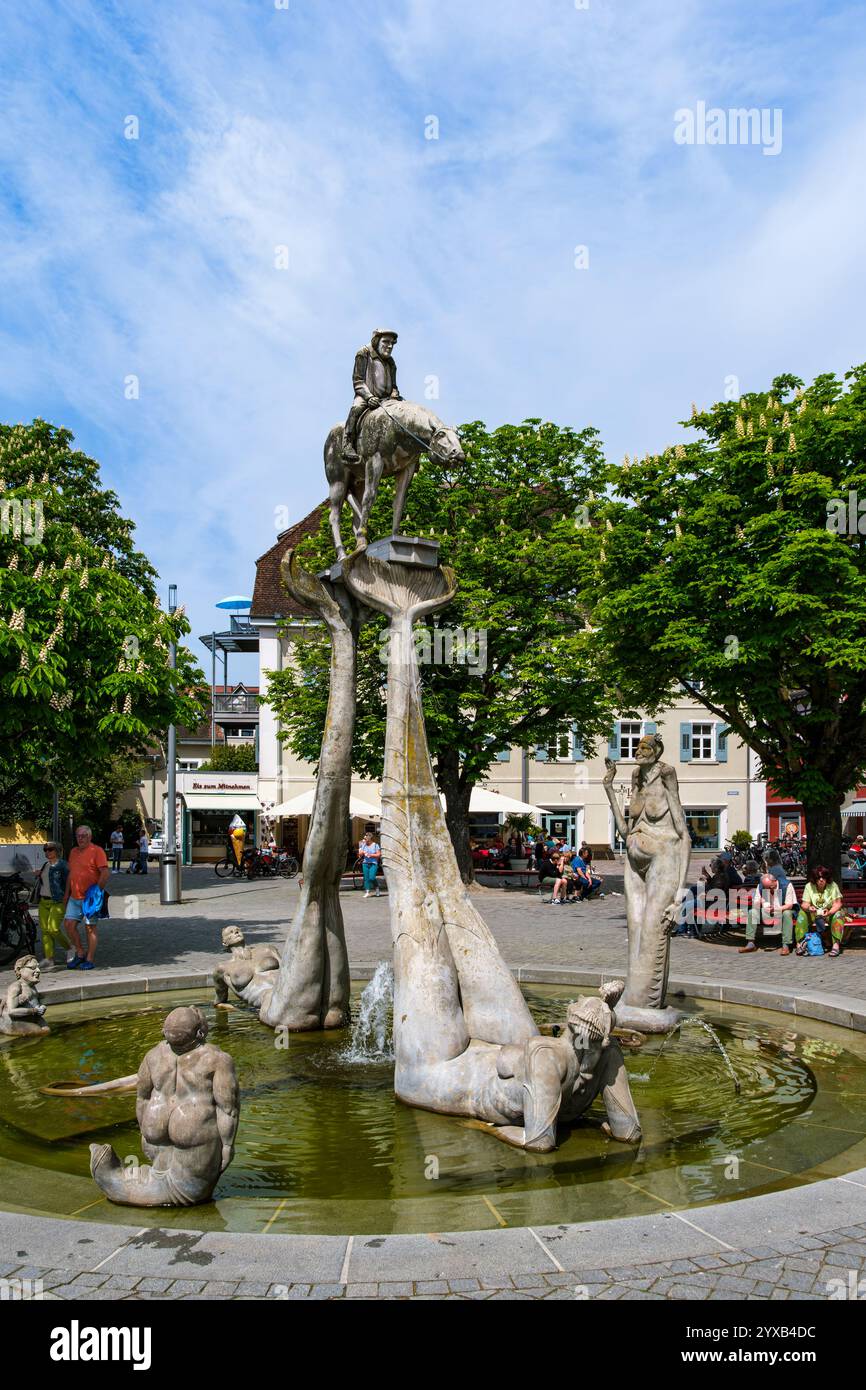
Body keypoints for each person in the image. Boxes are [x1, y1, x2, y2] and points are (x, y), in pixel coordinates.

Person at [342, 329, 402, 463]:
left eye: (392, 343)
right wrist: (369, 397)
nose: (390, 346)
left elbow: (394, 385)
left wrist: (394, 392)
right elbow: (358, 381)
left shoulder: (391, 362)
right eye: (386, 342)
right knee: (356, 408)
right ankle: (347, 444)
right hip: (366, 397)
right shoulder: (363, 353)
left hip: (386, 400)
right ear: (377, 341)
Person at [63, 825, 109, 970]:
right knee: (69, 925)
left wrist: (97, 892)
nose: (80, 838)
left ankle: (89, 959)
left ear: (90, 837)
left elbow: (105, 872)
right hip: (74, 896)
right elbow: (71, 873)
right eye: (78, 836)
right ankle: (80, 953)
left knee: (90, 927)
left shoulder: (97, 851)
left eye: (83, 836)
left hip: (89, 898)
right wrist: (66, 893)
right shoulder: (73, 852)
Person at [739, 873, 798, 955]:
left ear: (775, 881)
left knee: (787, 914)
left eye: (771, 887)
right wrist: (760, 902)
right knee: (752, 912)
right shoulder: (761, 886)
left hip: (783, 910)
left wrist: (776, 909)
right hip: (766, 911)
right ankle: (750, 943)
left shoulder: (786, 885)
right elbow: (755, 903)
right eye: (766, 888)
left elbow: (789, 905)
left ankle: (786, 945)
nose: (769, 890)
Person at [795, 865, 845, 957]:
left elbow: (837, 904)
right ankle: (800, 944)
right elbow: (804, 904)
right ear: (815, 879)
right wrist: (809, 908)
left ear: (827, 878)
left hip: (830, 912)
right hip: (814, 913)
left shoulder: (833, 886)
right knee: (802, 914)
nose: (821, 880)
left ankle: (836, 945)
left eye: (823, 877)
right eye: (818, 878)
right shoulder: (809, 886)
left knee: (838, 915)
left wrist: (829, 912)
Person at [35, 842, 70, 969]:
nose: (47, 852)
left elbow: (69, 884)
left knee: (53, 928)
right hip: (43, 901)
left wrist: (66, 898)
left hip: (57, 901)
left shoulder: (63, 865)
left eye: (50, 849)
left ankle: (70, 948)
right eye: (45, 850)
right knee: (45, 931)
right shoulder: (45, 865)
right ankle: (49, 959)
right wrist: (39, 873)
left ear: (57, 851)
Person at [359, 831, 382, 898]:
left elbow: (378, 854)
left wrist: (371, 855)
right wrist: (362, 851)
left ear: (369, 838)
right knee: (366, 878)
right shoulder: (363, 845)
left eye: (366, 838)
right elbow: (360, 854)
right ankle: (367, 891)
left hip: (373, 863)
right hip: (365, 863)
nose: (364, 839)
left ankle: (377, 888)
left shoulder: (375, 845)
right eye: (364, 838)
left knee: (372, 878)